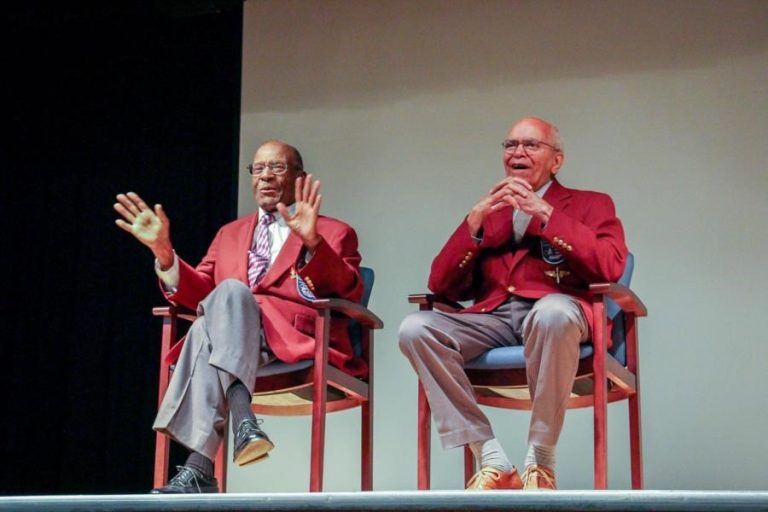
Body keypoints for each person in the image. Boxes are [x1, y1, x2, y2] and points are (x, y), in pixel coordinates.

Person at [114, 140, 365, 493]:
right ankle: (241, 426)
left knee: (213, 316)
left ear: (300, 177)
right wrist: (165, 254)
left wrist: (313, 244)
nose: (265, 177)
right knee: (219, 307)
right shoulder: (229, 234)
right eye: (258, 169)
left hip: (294, 341)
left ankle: (205, 462)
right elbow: (202, 294)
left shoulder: (335, 231)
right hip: (238, 340)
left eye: (276, 168)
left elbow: (349, 288)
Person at [398, 117, 628, 491]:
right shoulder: (493, 210)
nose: (517, 152)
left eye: (531, 145)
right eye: (510, 145)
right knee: (415, 329)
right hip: (494, 318)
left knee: (551, 312)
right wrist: (473, 223)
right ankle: (491, 457)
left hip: (559, 314)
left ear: (557, 161)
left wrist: (546, 214)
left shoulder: (590, 203)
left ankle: (541, 459)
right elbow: (440, 285)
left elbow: (610, 265)